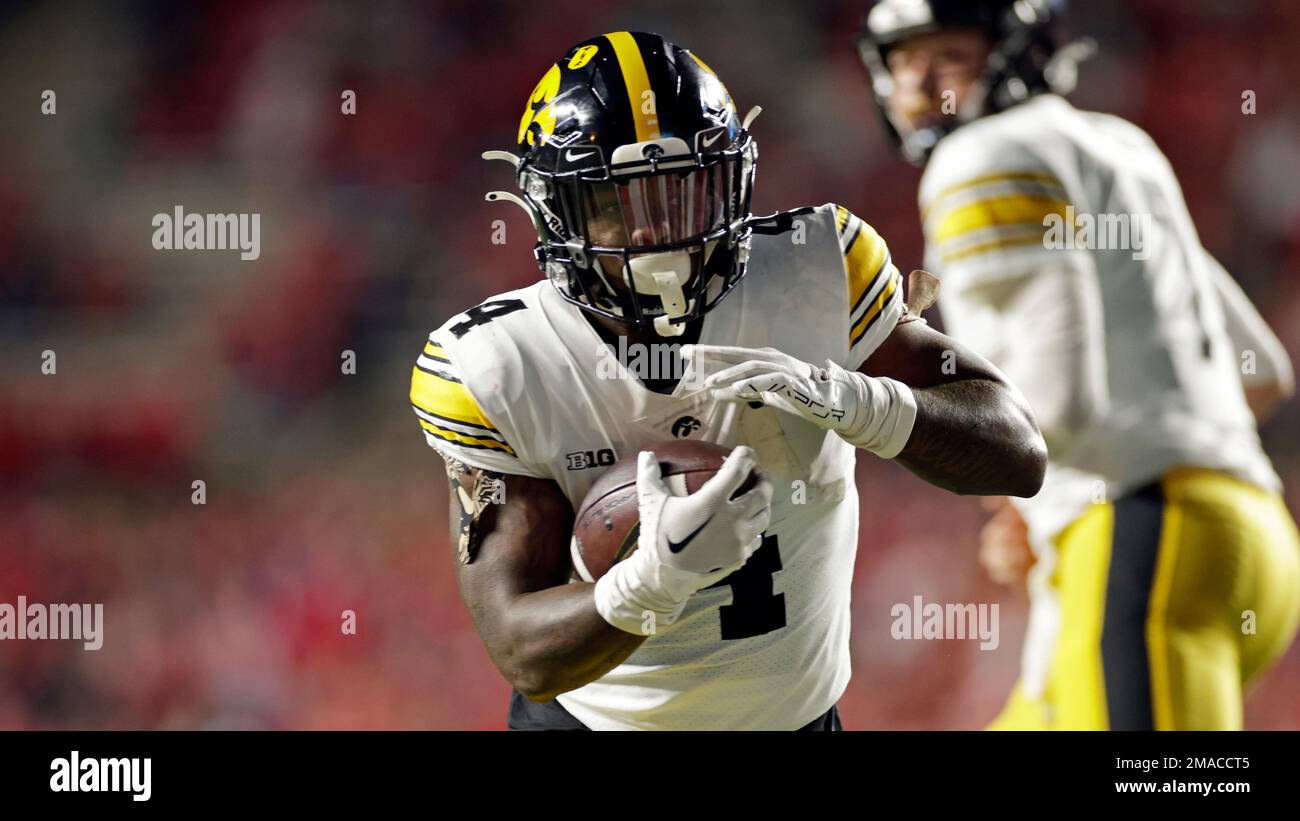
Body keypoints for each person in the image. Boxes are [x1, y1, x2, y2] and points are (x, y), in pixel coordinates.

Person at [411, 30, 1045, 730]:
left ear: (734, 181)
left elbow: (1017, 453)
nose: (661, 236)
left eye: (683, 192)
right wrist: (656, 579)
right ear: (554, 211)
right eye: (620, 205)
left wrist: (861, 402)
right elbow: (522, 648)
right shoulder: (498, 364)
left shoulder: (818, 266)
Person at [858, 0, 1300, 729]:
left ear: (1014, 52)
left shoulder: (982, 156)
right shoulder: (1118, 146)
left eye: (950, 56)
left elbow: (1057, 410)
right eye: (906, 60)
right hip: (1240, 534)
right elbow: (1262, 373)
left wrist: (1020, 488)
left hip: (1144, 537)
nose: (923, 83)